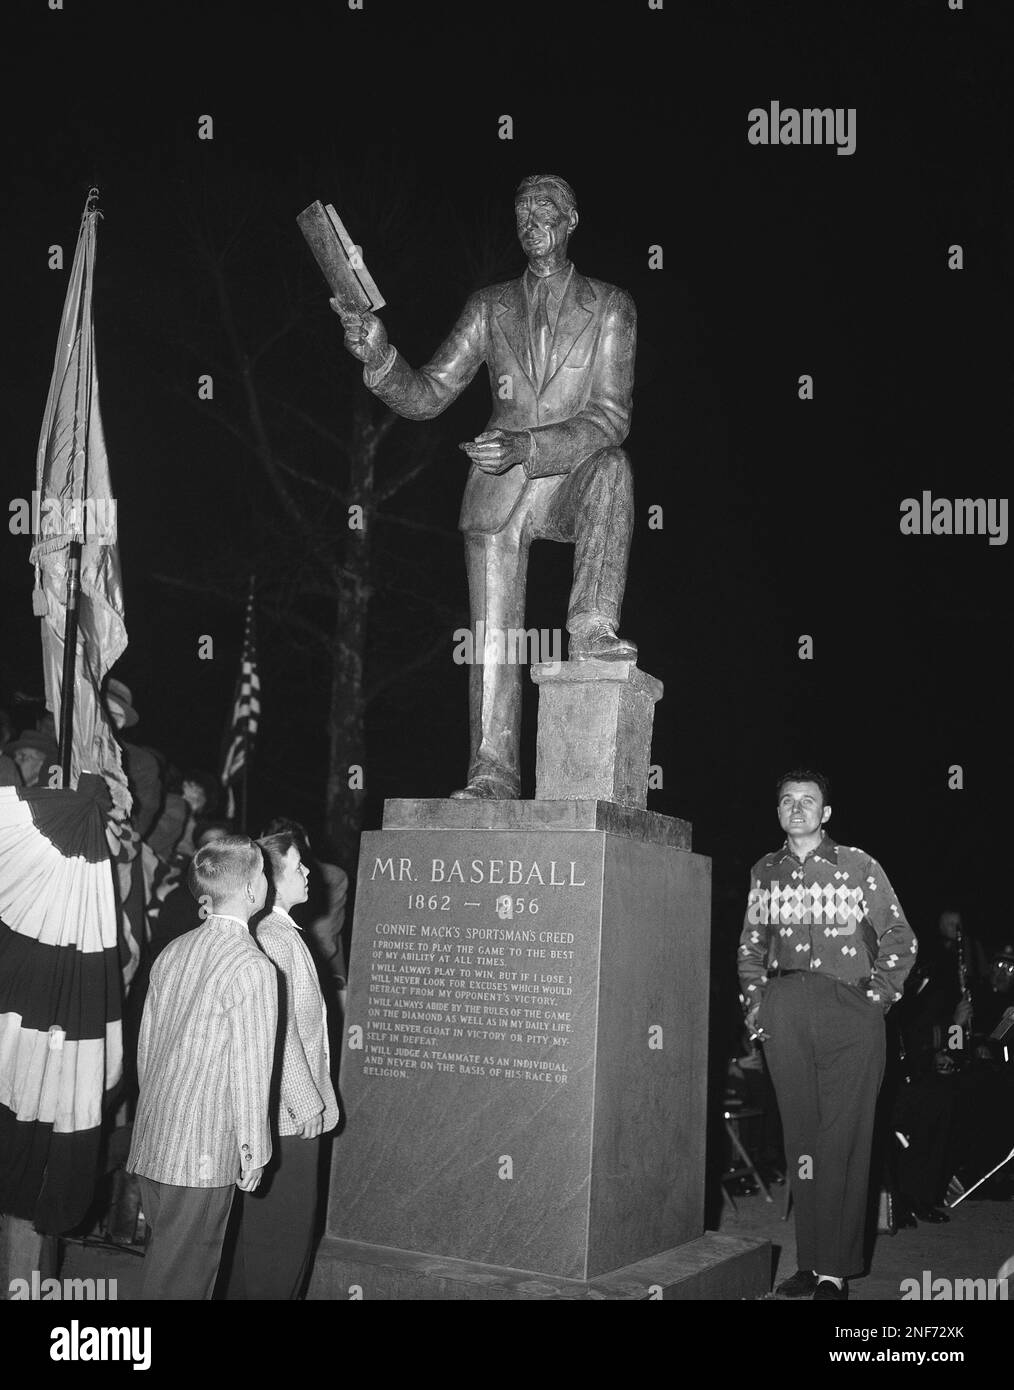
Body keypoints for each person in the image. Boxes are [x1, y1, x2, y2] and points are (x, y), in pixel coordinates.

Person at [335, 173, 637, 799]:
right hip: (497, 484)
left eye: (545, 208)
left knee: (615, 470)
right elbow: (429, 393)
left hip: (567, 472)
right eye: (521, 210)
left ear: (572, 218)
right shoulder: (488, 305)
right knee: (493, 638)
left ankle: (591, 626)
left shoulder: (611, 305)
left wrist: (532, 447)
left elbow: (610, 417)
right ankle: (491, 769)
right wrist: (379, 356)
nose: (531, 219)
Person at [738, 769, 917, 1300]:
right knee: (803, 1140)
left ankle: (835, 1272)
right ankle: (810, 1262)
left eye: (808, 801)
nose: (798, 809)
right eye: (788, 801)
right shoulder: (764, 871)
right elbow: (750, 948)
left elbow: (899, 938)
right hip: (786, 1009)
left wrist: (876, 1000)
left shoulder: (858, 865)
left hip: (850, 1010)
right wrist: (758, 1006)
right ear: (777, 812)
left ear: (827, 813)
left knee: (843, 1140)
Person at [127, 836, 277, 1300]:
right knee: (182, 1284)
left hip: (154, 1141)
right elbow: (251, 1067)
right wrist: (253, 1148)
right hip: (204, 1153)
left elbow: (146, 1051)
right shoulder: (252, 966)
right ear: (253, 890)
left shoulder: (174, 951)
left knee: (165, 1268)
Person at [228, 830, 340, 1299]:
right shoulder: (274, 936)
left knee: (270, 1237)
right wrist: (305, 1102)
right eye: (298, 867)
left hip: (283, 1116)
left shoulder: (279, 931)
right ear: (271, 882)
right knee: (282, 1238)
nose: (309, 872)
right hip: (287, 1120)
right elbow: (282, 1030)